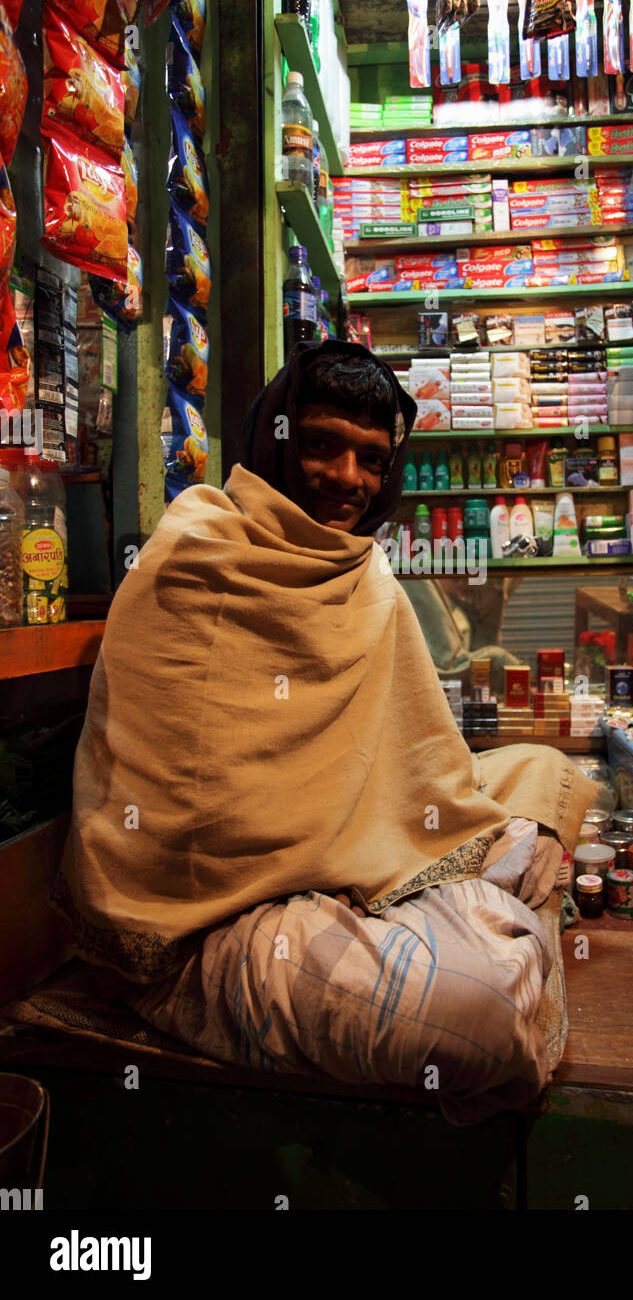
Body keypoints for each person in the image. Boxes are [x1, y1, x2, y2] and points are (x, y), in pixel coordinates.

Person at [51, 339, 596, 1125]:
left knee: (550, 774)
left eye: (372, 459)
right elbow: (189, 802)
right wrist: (337, 862)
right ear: (272, 439)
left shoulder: (362, 574)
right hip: (214, 922)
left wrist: (368, 855)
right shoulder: (197, 553)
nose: (349, 479)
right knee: (479, 1021)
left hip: (349, 872)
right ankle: (507, 930)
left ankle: (490, 924)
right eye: (320, 445)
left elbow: (409, 765)